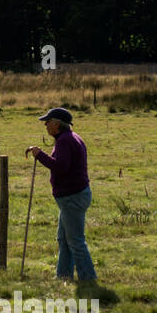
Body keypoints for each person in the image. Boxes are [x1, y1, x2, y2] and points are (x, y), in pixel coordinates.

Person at [25, 107, 97, 283]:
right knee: (64, 239)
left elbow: (60, 167)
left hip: (73, 198)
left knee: (75, 241)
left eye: (48, 122)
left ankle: (88, 279)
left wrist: (39, 155)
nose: (45, 125)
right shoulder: (70, 138)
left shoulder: (65, 141)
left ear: (57, 124)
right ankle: (63, 276)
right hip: (73, 197)